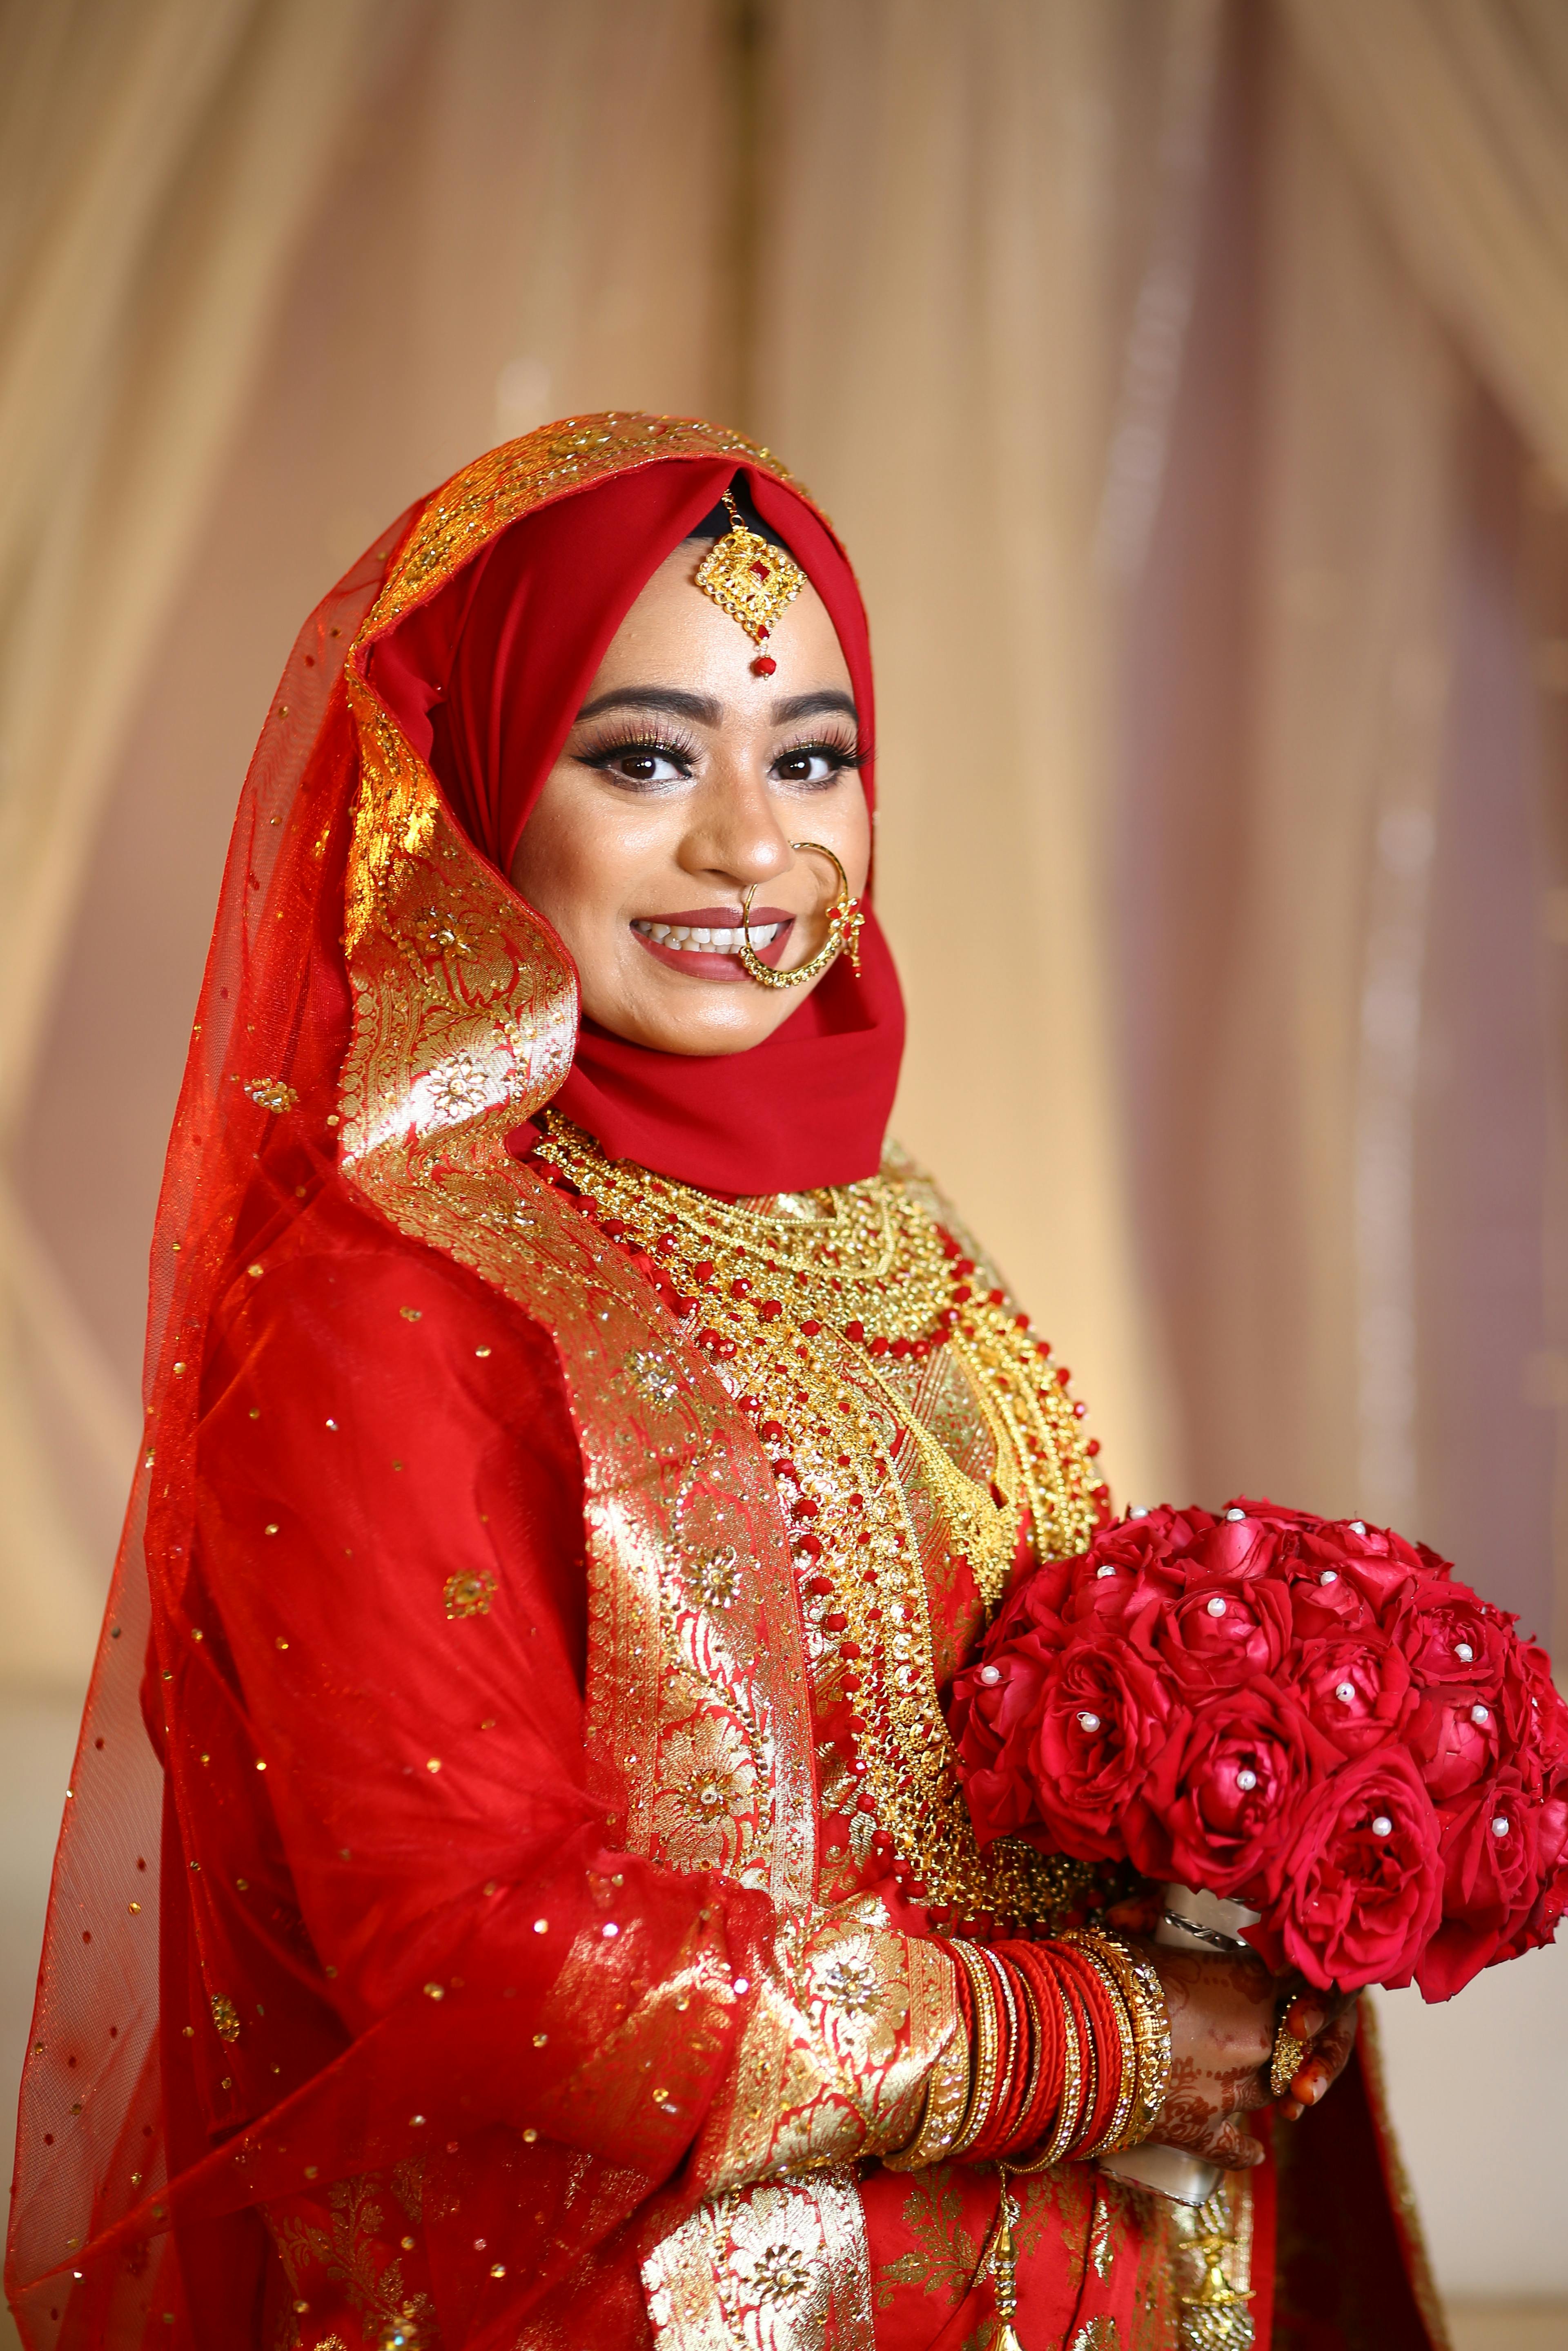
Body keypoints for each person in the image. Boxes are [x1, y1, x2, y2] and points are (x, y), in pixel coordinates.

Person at [6, 417, 1446, 2351]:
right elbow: (470, 1948)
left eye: (815, 757)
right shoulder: (382, 1288)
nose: (753, 848)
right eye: (644, 756)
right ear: (482, 789)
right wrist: (1087, 2047)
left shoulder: (884, 1213)